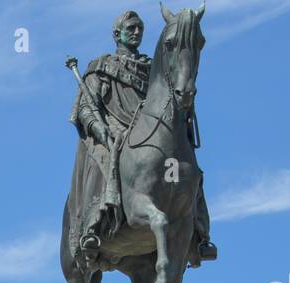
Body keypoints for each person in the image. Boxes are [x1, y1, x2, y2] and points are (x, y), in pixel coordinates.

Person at [67, 10, 215, 265]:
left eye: (140, 28)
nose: (137, 32)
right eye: (131, 28)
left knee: (187, 164)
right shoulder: (100, 67)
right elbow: (86, 107)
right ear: (117, 34)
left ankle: (199, 230)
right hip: (113, 129)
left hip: (150, 130)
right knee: (106, 158)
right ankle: (94, 225)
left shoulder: (151, 68)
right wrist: (100, 128)